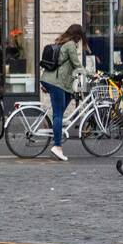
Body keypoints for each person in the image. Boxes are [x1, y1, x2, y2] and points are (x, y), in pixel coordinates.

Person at [39, 24, 87, 162]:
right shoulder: (70, 45)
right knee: (59, 114)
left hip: (57, 82)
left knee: (66, 101)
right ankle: (57, 146)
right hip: (56, 83)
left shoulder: (63, 42)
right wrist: (90, 73)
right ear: (77, 35)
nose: (80, 40)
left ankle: (51, 124)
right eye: (81, 36)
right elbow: (77, 64)